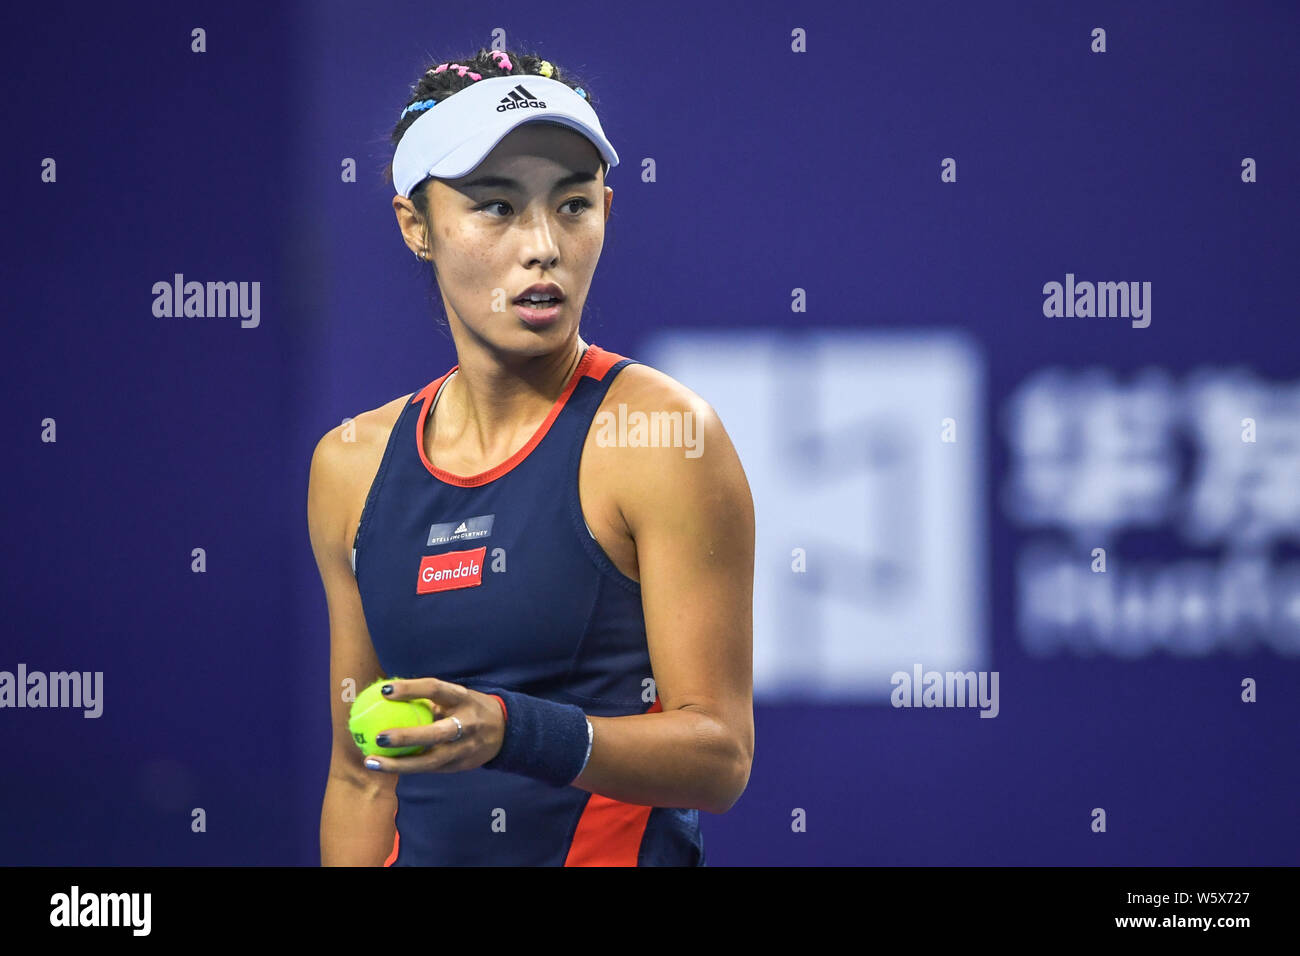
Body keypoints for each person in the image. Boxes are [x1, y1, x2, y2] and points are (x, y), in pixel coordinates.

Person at [309, 47, 755, 866]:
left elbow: (719, 759)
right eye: (496, 206)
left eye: (574, 204)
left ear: (607, 212)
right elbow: (363, 776)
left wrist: (511, 731)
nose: (543, 245)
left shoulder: (662, 437)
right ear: (415, 225)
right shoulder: (350, 464)